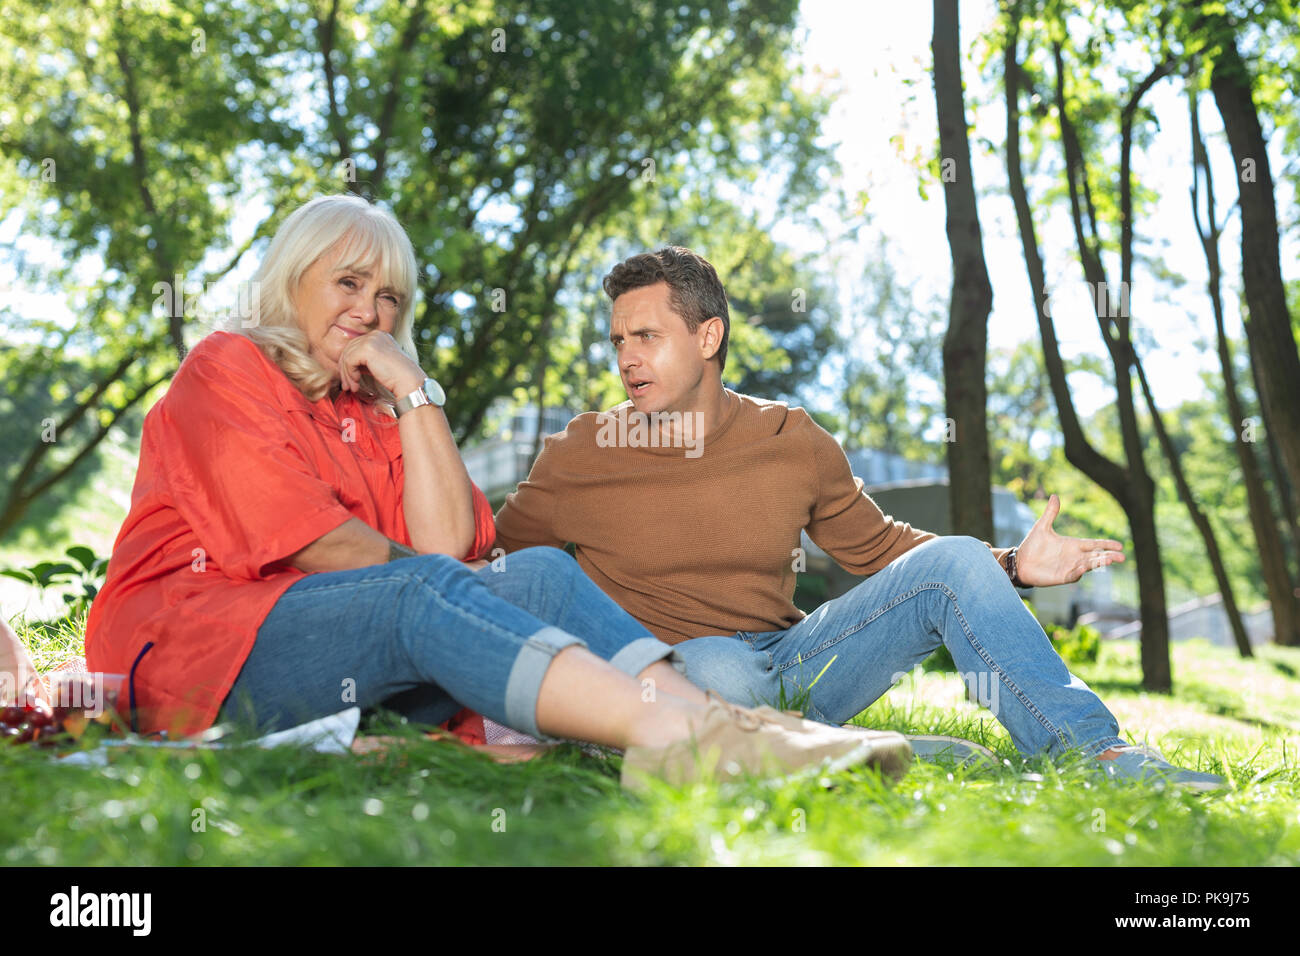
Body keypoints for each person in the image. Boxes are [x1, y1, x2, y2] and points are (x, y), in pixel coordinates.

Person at [82, 196, 914, 791]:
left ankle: (740, 732)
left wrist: (412, 392)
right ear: (295, 280)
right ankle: (678, 735)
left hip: (354, 643)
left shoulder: (381, 408)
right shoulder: (227, 369)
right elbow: (325, 549)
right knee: (426, 589)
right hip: (203, 653)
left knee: (545, 571)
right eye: (348, 285)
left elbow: (452, 552)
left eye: (390, 299)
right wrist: (437, 590)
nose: (370, 311)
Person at [492, 246, 1226, 791]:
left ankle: (1093, 754)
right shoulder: (582, 450)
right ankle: (861, 751)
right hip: (674, 675)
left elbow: (880, 551)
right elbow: (495, 572)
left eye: (645, 336)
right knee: (722, 671)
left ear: (707, 337)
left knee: (956, 558)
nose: (626, 357)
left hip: (791, 660)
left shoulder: (792, 438)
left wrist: (1008, 566)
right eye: (618, 340)